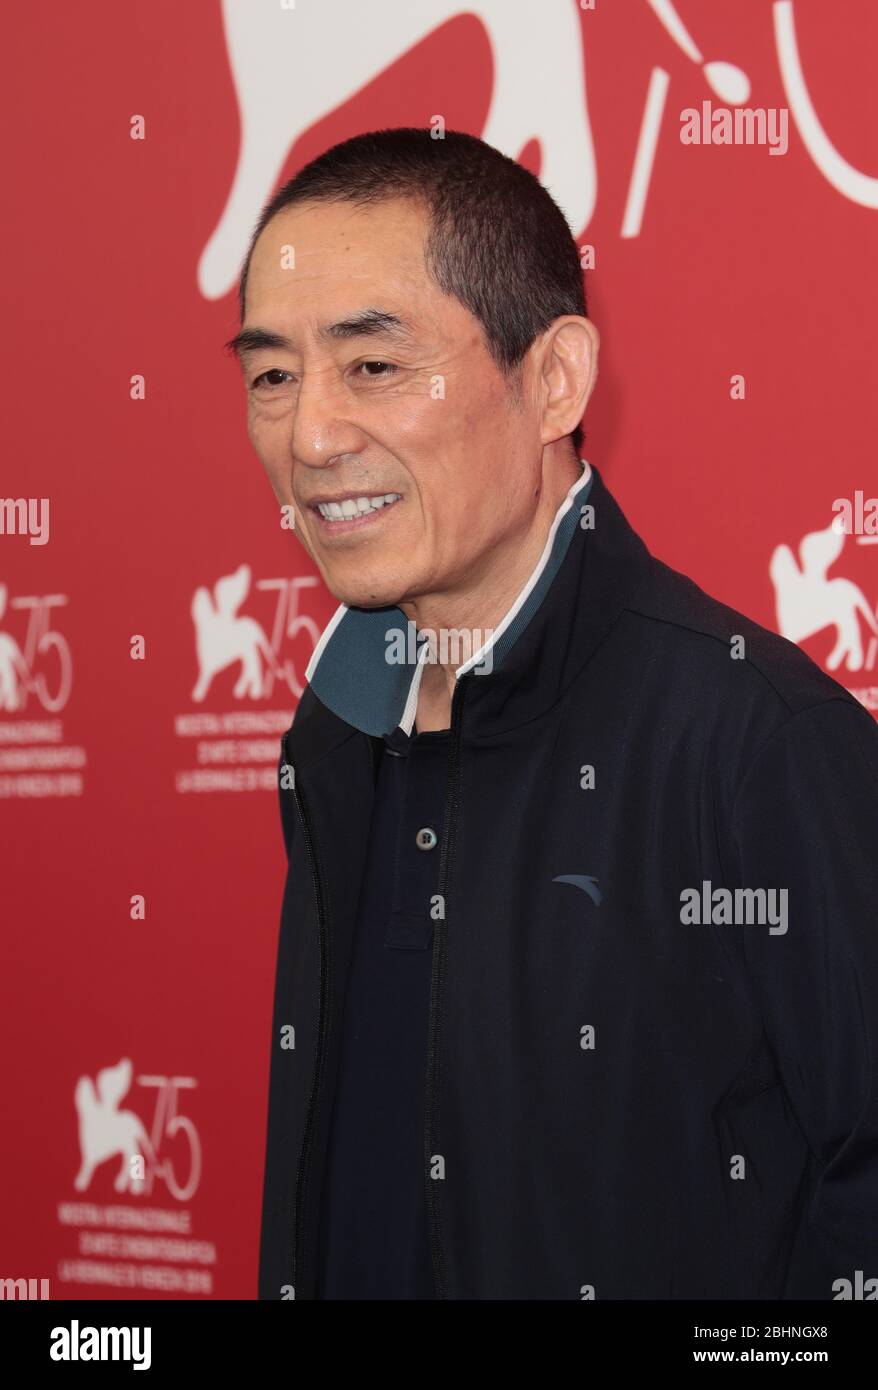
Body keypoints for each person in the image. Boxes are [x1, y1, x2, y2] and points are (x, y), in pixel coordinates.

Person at [226, 128, 878, 1300]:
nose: (309, 436)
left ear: (554, 380)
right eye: (272, 374)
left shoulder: (751, 739)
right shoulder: (332, 735)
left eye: (372, 365)